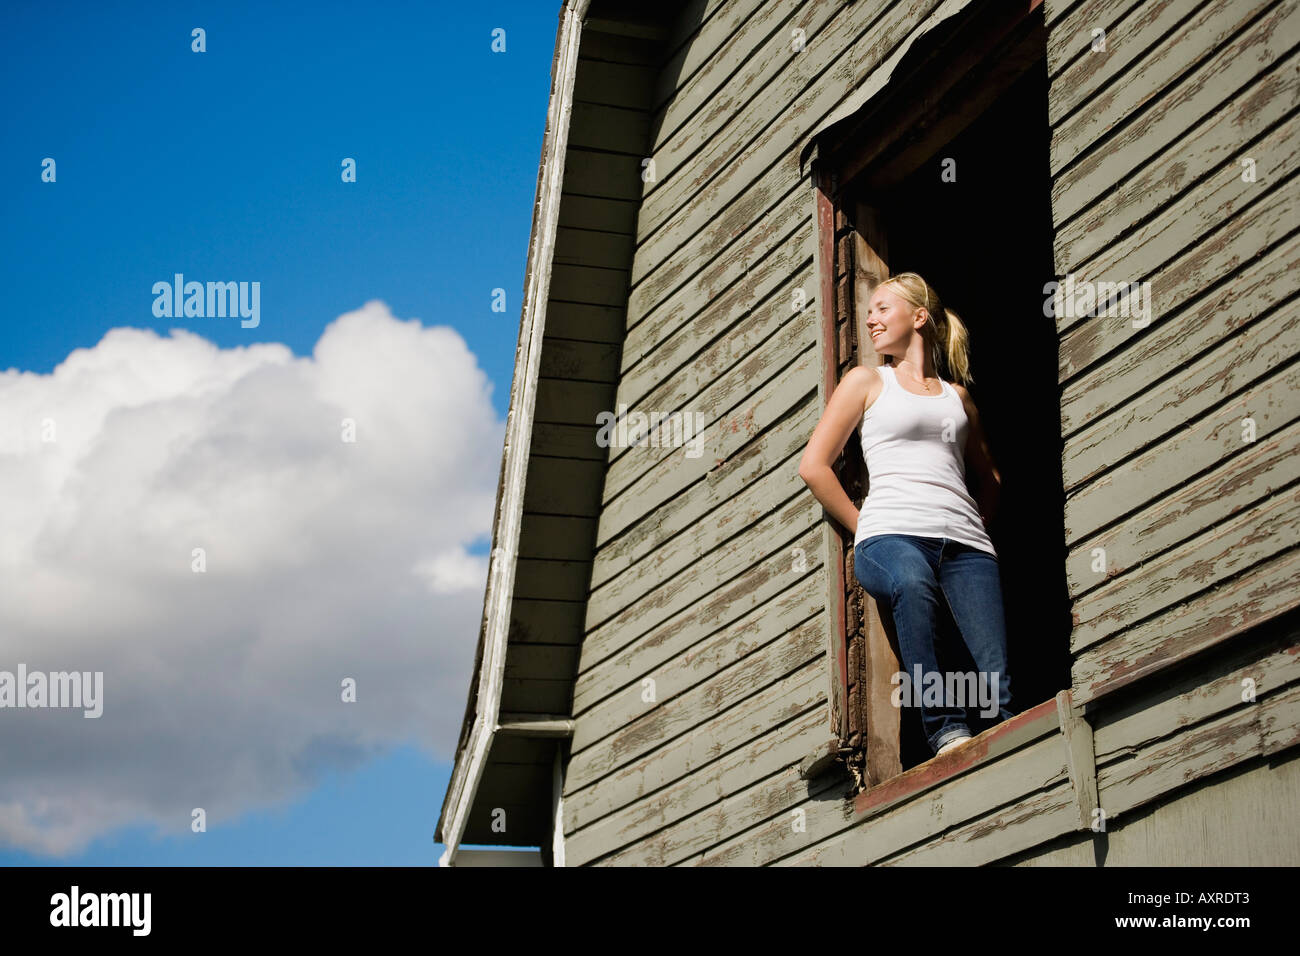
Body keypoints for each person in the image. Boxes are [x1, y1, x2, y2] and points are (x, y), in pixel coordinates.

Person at [798, 272, 1014, 756]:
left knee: (992, 662)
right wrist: (865, 527)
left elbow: (991, 477)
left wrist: (975, 525)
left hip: (966, 546)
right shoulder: (868, 382)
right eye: (869, 311)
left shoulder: (957, 398)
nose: (870, 319)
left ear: (919, 317)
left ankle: (1008, 736)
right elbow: (814, 466)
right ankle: (946, 729)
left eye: (881, 308)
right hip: (891, 538)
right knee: (912, 585)